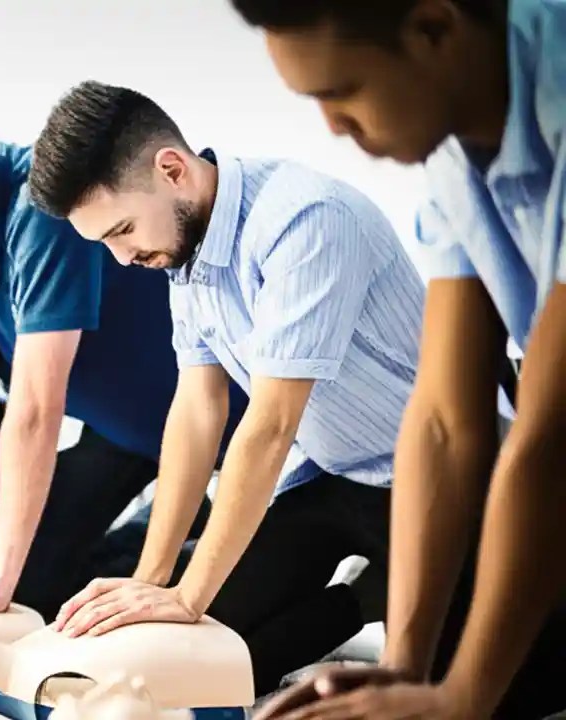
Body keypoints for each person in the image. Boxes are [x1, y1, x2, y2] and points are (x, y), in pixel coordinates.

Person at [26, 80, 425, 698]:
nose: (122, 256)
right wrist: (156, 581)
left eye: (122, 229)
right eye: (105, 241)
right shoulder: (181, 249)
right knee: (192, 663)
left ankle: (396, 590)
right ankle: (365, 596)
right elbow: (196, 409)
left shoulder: (304, 218)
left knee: (473, 681)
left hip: (436, 479)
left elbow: (268, 426)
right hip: (336, 477)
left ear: (172, 169)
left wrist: (189, 594)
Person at [0, 62, 265, 620]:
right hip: (120, 432)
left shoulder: (41, 204)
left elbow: (36, 408)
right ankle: (156, 528)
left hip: (211, 420)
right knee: (32, 584)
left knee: (215, 594)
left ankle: (189, 527)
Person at [229, 1, 566, 717]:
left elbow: (550, 435)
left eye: (340, 91)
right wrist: (405, 663)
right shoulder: (453, 142)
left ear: (437, 30)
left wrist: (464, 697)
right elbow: (443, 416)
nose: (331, 128)